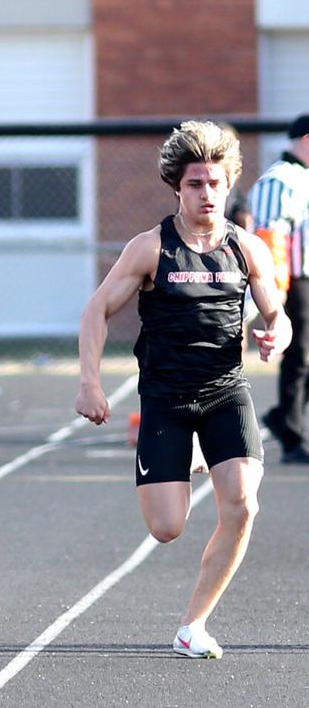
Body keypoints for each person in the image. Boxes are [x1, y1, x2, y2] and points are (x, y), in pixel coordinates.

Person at [75, 121, 288, 658]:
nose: (207, 194)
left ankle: (193, 624)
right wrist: (90, 382)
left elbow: (276, 313)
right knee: (167, 527)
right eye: (196, 184)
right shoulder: (150, 248)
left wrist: (273, 335)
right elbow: (97, 310)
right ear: (178, 187)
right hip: (166, 398)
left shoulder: (246, 249)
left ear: (228, 184)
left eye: (216, 183)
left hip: (226, 392)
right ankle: (187, 453)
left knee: (242, 506)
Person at [252, 114, 309, 464]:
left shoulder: (302, 177)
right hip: (296, 281)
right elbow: (270, 237)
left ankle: (282, 418)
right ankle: (291, 435)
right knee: (298, 358)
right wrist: (277, 290)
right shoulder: (279, 179)